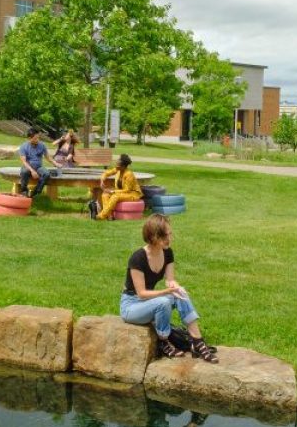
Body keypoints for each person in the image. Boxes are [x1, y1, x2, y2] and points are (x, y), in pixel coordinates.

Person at [120, 214, 218, 362]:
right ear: (153, 236)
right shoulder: (138, 258)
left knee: (180, 293)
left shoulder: (167, 253)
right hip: (131, 306)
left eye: (170, 234)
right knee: (163, 302)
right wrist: (166, 292)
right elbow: (141, 294)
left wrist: (176, 288)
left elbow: (170, 281)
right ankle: (163, 342)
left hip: (149, 302)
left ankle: (197, 342)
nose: (169, 239)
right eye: (164, 236)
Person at [91, 154, 142, 220]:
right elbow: (107, 173)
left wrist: (112, 191)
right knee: (105, 195)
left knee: (115, 196)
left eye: (118, 165)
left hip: (132, 194)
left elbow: (127, 190)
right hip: (121, 192)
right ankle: (109, 216)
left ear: (123, 166)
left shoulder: (129, 174)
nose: (116, 167)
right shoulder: (118, 169)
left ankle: (101, 216)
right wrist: (102, 180)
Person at [17, 127, 56, 198]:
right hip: (28, 167)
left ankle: (36, 192)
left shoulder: (42, 145)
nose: (37, 140)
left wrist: (55, 163)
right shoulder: (23, 147)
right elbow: (24, 162)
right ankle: (24, 191)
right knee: (24, 172)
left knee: (46, 174)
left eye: (38, 138)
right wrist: (32, 171)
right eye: (35, 138)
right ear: (29, 138)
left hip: (38, 167)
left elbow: (48, 157)